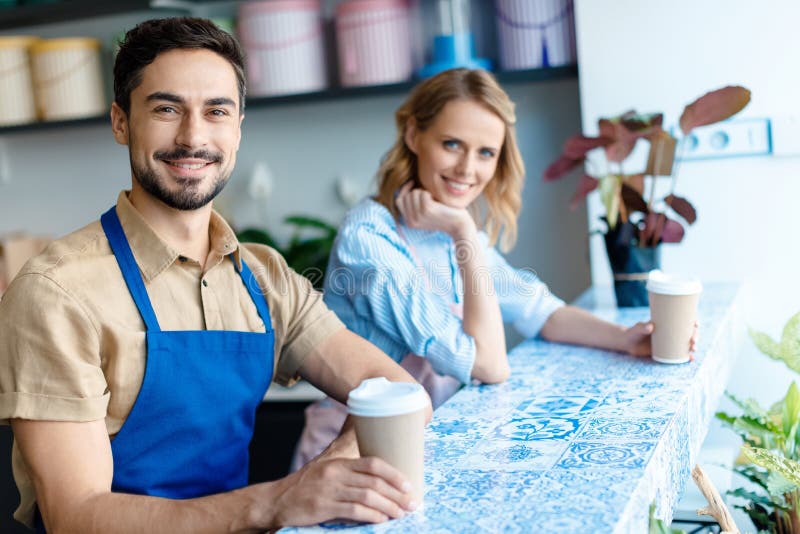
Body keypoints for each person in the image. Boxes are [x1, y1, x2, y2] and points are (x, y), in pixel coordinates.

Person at [0, 17, 431, 533]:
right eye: (166, 109)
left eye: (216, 111)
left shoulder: (264, 276)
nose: (193, 137)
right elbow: (77, 515)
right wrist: (276, 502)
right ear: (120, 122)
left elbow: (398, 390)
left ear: (238, 127)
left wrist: (331, 469)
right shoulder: (57, 292)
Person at [292, 68, 698, 468]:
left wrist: (626, 339)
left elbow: (540, 310)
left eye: (486, 152)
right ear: (414, 136)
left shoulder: (441, 224)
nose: (468, 169)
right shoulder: (370, 238)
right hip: (350, 455)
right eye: (452, 144)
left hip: (423, 445)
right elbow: (487, 366)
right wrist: (464, 230)